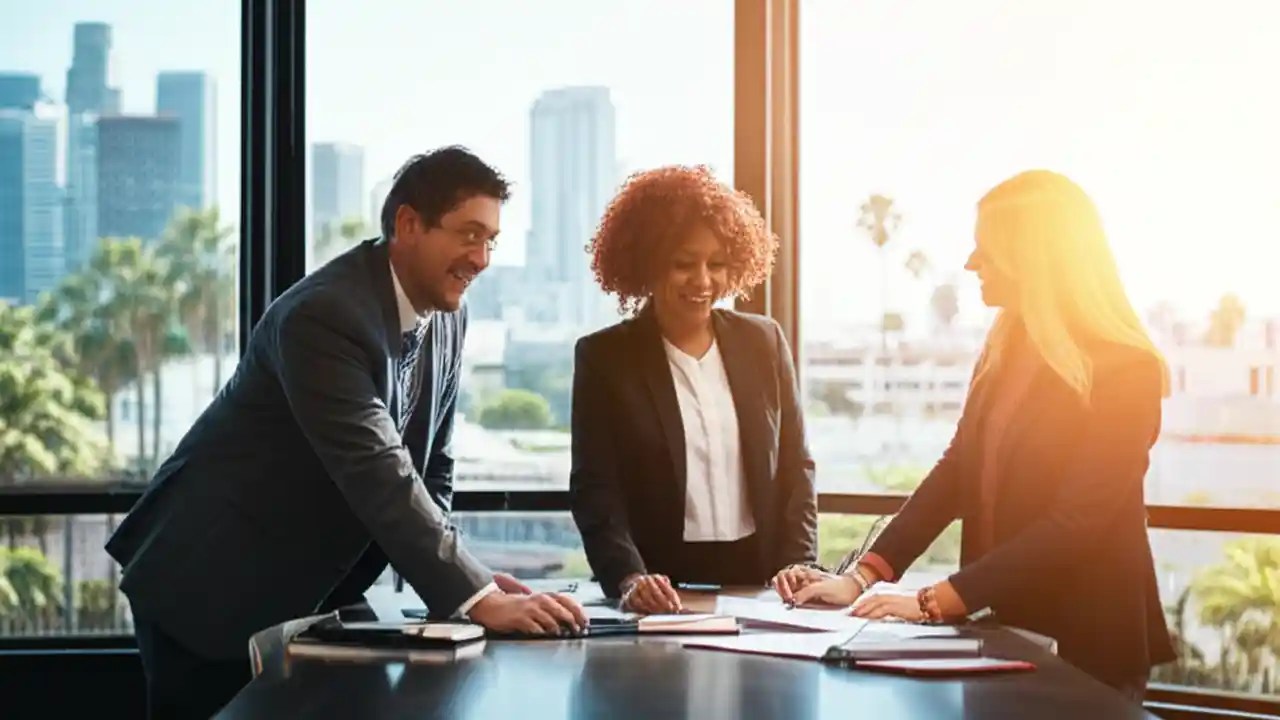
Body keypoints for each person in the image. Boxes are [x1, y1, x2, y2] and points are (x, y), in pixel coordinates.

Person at [106, 146, 587, 719]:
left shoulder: (450, 316)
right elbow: (377, 469)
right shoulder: (325, 314)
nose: (482, 258)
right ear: (408, 224)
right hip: (211, 583)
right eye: (468, 234)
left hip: (316, 599)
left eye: (491, 240)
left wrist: (464, 583)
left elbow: (432, 468)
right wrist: (474, 594)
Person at [773, 169, 1175, 699]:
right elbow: (958, 471)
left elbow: (1080, 519)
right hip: (1001, 629)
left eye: (987, 248)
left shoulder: (1128, 369)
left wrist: (934, 600)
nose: (970, 263)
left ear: (1034, 256)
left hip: (1088, 642)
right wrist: (863, 576)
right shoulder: (1006, 348)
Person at [571, 165, 818, 614]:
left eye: (717, 264)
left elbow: (795, 467)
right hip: (661, 589)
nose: (703, 281)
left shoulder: (764, 341)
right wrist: (629, 577)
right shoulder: (605, 358)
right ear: (648, 264)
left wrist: (800, 562)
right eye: (683, 264)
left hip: (761, 583)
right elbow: (596, 487)